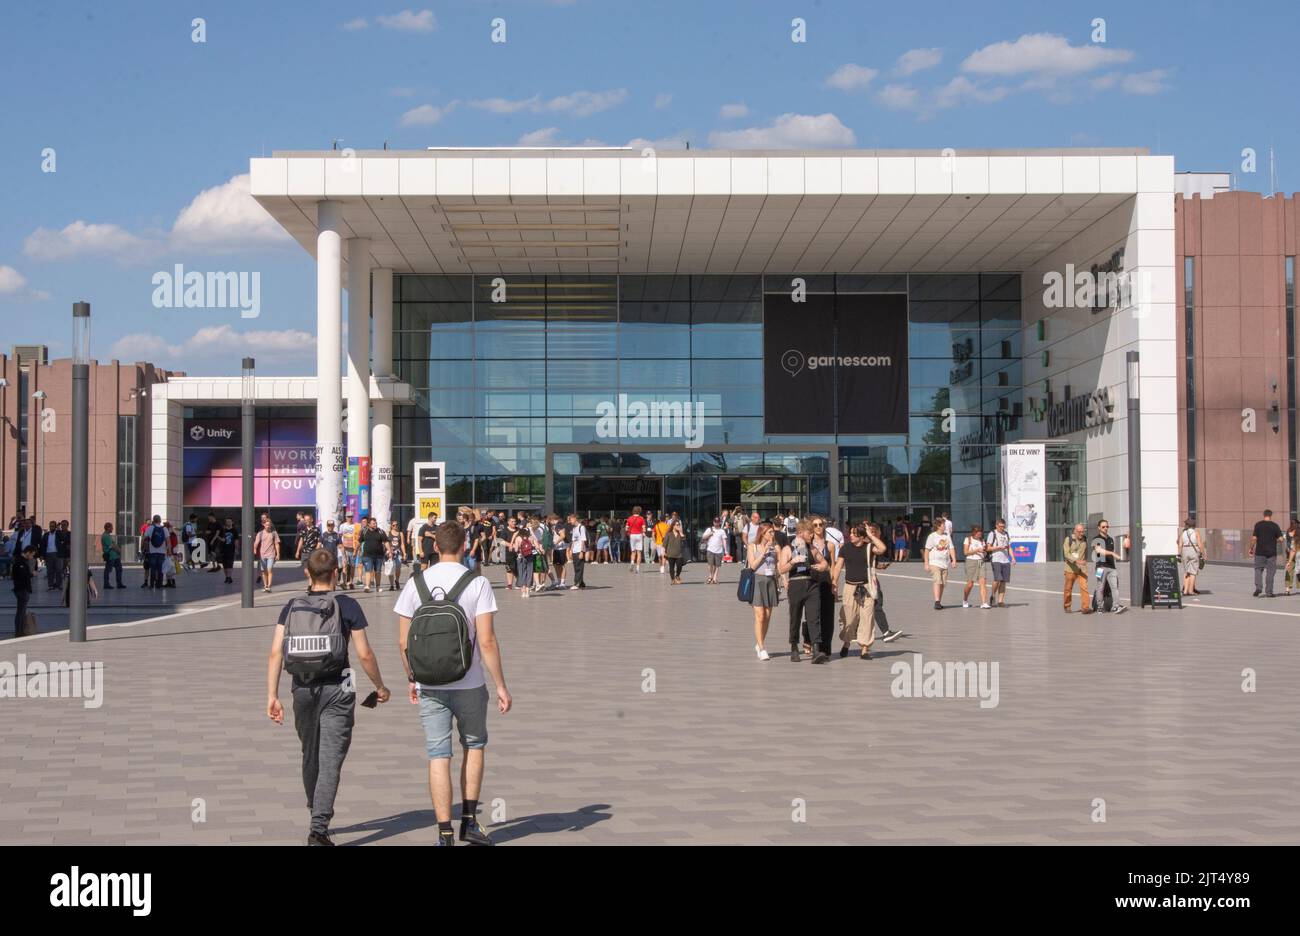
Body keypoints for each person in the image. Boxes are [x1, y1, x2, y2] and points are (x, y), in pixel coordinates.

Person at [395, 521, 512, 846]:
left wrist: (411, 678)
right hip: (470, 683)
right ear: (464, 545)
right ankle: (470, 824)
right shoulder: (477, 583)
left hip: (429, 684)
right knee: (473, 746)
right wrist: (501, 684)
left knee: (438, 754)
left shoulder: (415, 583)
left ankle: (444, 834)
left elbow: (403, 642)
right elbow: (486, 641)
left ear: (435, 547)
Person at [266, 547, 390, 846]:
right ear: (336, 573)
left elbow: (274, 653)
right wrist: (381, 686)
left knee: (310, 754)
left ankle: (315, 809)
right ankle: (318, 828)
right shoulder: (347, 605)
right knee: (330, 759)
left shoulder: (291, 606)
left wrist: (272, 695)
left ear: (307, 573)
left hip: (301, 688)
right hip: (340, 687)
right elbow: (364, 654)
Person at [832, 524, 887, 659]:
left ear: (862, 537)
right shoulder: (845, 548)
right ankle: (847, 642)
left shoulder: (869, 548)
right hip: (850, 587)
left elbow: (882, 548)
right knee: (849, 618)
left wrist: (871, 535)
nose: (850, 535)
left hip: (866, 587)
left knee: (867, 617)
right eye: (850, 533)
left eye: (854, 534)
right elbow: (838, 566)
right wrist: (834, 582)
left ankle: (864, 648)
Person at [779, 519, 830, 664]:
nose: (812, 535)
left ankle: (816, 649)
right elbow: (781, 569)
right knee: (795, 616)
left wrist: (822, 566)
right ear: (801, 533)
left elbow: (824, 561)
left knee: (814, 617)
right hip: (796, 584)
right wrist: (793, 561)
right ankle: (794, 647)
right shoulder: (788, 548)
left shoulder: (812, 548)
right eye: (810, 533)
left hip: (812, 584)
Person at [748, 522, 781, 660]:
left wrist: (783, 579)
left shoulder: (776, 547)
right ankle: (761, 648)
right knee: (760, 616)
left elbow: (778, 565)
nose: (772, 535)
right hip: (758, 580)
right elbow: (753, 565)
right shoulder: (752, 546)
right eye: (770, 532)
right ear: (762, 533)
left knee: (767, 616)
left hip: (770, 581)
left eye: (773, 532)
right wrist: (764, 552)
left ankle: (760, 641)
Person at [1090, 519, 1127, 613]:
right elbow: (1099, 551)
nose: (1106, 528)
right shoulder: (1096, 539)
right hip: (1100, 567)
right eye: (1103, 527)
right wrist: (1113, 553)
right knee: (1100, 587)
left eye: (1107, 526)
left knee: (1114, 587)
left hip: (1111, 567)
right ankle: (1099, 606)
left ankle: (1115, 606)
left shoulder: (1110, 539)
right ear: (1099, 528)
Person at [1248, 508, 1284, 598]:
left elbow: (1254, 538)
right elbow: (1281, 539)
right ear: (1271, 515)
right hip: (1271, 553)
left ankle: (1258, 587)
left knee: (1258, 569)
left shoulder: (1258, 525)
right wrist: (1274, 540)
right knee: (1270, 572)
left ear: (1264, 515)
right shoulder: (1275, 526)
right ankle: (1269, 592)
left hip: (1260, 552)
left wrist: (1251, 548)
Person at [923, 522, 956, 610]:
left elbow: (951, 548)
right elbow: (926, 550)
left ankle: (939, 601)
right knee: (937, 581)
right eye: (943, 525)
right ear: (938, 526)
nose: (944, 526)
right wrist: (926, 563)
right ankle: (937, 601)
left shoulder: (947, 536)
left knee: (943, 583)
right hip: (934, 563)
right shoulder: (932, 536)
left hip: (945, 563)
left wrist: (954, 560)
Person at [1062, 523, 1093, 613]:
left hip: (1082, 569)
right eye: (1079, 532)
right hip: (1070, 568)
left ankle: (1085, 607)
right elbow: (1066, 554)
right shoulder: (1069, 539)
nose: (1081, 534)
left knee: (1084, 587)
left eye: (1082, 532)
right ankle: (1067, 606)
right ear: (1075, 531)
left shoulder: (1085, 539)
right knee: (1068, 589)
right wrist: (1076, 561)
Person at [985, 518, 1014, 608]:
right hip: (996, 559)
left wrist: (1013, 558)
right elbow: (988, 548)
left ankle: (1001, 601)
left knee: (1003, 581)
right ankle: (993, 595)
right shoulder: (992, 534)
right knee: (997, 579)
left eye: (1003, 526)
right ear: (996, 526)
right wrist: (998, 548)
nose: (1002, 528)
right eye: (1000, 526)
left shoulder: (1006, 534)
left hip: (1005, 560)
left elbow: (1009, 547)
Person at [357, 516, 388, 593]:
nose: (375, 525)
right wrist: (356, 551)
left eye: (376, 523)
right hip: (367, 555)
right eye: (373, 523)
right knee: (368, 570)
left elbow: (386, 541)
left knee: (378, 571)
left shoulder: (380, 531)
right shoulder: (365, 531)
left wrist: (389, 551)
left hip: (379, 555)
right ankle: (367, 586)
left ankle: (378, 586)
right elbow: (359, 542)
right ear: (369, 524)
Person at [961, 524, 987, 609]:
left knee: (982, 582)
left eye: (980, 532)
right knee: (970, 584)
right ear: (974, 532)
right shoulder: (968, 539)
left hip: (981, 562)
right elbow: (965, 552)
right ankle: (965, 599)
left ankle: (984, 603)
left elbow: (985, 552)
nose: (980, 534)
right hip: (971, 562)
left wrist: (984, 552)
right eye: (978, 532)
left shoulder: (982, 540)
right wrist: (976, 550)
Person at [141, 514, 168, 589]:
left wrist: (143, 548)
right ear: (160, 520)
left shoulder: (150, 528)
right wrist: (168, 550)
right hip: (162, 552)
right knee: (160, 568)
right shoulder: (164, 529)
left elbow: (144, 539)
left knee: (152, 568)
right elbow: (168, 541)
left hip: (152, 552)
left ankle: (151, 584)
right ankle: (159, 584)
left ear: (153, 520)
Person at [255, 517, 281, 594]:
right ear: (263, 525)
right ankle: (265, 585)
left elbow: (277, 544)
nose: (268, 526)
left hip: (271, 554)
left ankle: (269, 586)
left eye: (269, 525)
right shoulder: (260, 533)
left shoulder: (274, 533)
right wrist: (255, 549)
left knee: (269, 570)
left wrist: (278, 554)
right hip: (263, 554)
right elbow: (256, 542)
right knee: (263, 571)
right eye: (266, 525)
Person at [1179, 518, 1204, 598]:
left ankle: (1185, 590)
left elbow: (1180, 545)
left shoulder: (1183, 533)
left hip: (1185, 550)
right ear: (1194, 525)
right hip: (1194, 550)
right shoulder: (1196, 532)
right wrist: (1203, 553)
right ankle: (1191, 590)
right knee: (1193, 571)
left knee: (1186, 571)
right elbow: (1200, 544)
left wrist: (1179, 554)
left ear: (1187, 525)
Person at [703, 516, 728, 585]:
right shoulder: (709, 529)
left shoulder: (722, 531)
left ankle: (715, 578)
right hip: (710, 549)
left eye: (718, 522)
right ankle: (710, 576)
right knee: (710, 565)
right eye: (715, 522)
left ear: (720, 522)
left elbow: (724, 541)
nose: (716, 523)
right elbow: (703, 537)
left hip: (719, 550)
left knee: (717, 565)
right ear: (713, 522)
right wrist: (710, 534)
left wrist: (726, 550)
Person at [101, 522, 125, 590]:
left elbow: (113, 544)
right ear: (108, 528)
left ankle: (119, 583)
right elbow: (112, 546)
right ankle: (106, 584)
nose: (112, 529)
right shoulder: (105, 536)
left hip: (115, 556)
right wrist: (119, 550)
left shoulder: (108, 535)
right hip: (111, 556)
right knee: (108, 570)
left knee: (119, 569)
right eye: (111, 527)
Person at [338, 513, 358, 589]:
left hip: (353, 549)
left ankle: (351, 582)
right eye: (348, 517)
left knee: (352, 566)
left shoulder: (356, 526)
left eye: (351, 517)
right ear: (346, 517)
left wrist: (356, 549)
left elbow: (358, 537)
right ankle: (344, 582)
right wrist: (341, 546)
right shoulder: (342, 526)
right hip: (345, 548)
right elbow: (339, 537)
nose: (350, 518)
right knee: (345, 565)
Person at [568, 513, 588, 590]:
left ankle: (576, 583)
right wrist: (571, 550)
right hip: (575, 550)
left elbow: (583, 540)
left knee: (579, 567)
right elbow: (573, 541)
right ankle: (581, 583)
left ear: (575, 519)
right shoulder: (574, 528)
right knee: (576, 567)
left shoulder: (581, 527)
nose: (570, 521)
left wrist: (582, 552)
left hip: (579, 550)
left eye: (571, 519)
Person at [663, 518, 686, 584]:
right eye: (677, 525)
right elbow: (664, 544)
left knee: (679, 566)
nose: (678, 526)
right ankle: (672, 580)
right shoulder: (669, 534)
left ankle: (677, 576)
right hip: (670, 553)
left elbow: (684, 541)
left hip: (679, 554)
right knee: (671, 567)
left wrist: (681, 532)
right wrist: (664, 553)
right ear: (673, 526)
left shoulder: (680, 534)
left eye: (679, 525)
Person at [387, 520, 406, 592]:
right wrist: (388, 550)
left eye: (396, 525)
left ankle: (397, 580)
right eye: (393, 525)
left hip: (398, 552)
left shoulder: (400, 534)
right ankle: (391, 585)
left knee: (398, 567)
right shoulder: (388, 533)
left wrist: (404, 553)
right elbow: (386, 543)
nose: (395, 526)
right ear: (391, 526)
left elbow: (402, 544)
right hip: (390, 553)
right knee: (390, 568)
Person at [625, 506, 646, 574]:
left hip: (632, 535)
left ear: (633, 511)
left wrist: (628, 533)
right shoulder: (641, 518)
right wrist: (643, 534)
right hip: (639, 535)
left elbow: (626, 528)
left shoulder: (629, 518)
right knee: (639, 552)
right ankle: (637, 568)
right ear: (639, 511)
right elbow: (644, 529)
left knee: (633, 551)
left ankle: (632, 562)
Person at [219, 518, 239, 585]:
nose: (228, 523)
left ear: (232, 522)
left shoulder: (234, 531)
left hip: (231, 549)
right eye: (227, 521)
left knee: (230, 564)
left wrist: (236, 549)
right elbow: (221, 539)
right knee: (224, 565)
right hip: (223, 549)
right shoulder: (223, 530)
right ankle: (227, 577)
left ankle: (229, 577)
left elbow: (236, 540)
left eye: (230, 521)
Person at [1285, 519, 1299, 597]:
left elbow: (1288, 544)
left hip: (1289, 554)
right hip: (1298, 554)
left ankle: (1287, 589)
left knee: (1289, 571)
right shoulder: (1298, 532)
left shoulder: (1288, 532)